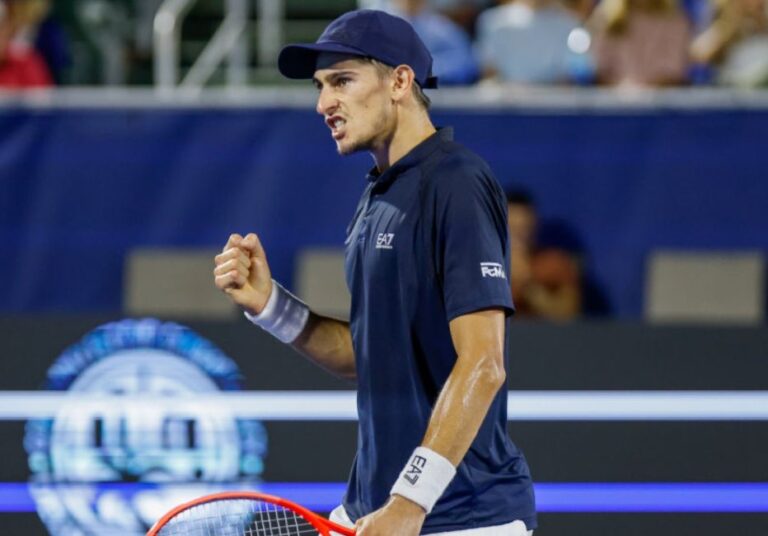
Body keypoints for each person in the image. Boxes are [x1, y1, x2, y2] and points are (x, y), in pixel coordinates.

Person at [214, 9, 536, 536]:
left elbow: (484, 363)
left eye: (342, 81)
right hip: (376, 511)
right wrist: (271, 305)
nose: (323, 104)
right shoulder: (377, 197)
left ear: (400, 81)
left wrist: (410, 501)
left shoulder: (455, 182)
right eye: (320, 87)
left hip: (460, 520)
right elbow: (370, 357)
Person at [476, 0, 595, 85]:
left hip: (553, 114)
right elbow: (489, 72)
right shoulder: (493, 21)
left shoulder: (570, 24)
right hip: (505, 113)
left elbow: (573, 75)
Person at [506, 190, 582, 320]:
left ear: (535, 225)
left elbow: (568, 316)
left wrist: (528, 286)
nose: (518, 237)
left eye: (523, 228)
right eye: (512, 228)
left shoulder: (554, 264)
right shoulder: (481, 267)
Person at [591, 0, 692, 87]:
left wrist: (645, 93)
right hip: (616, 104)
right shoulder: (607, 19)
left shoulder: (675, 21)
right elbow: (600, 70)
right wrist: (623, 90)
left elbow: (674, 73)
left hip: (661, 106)